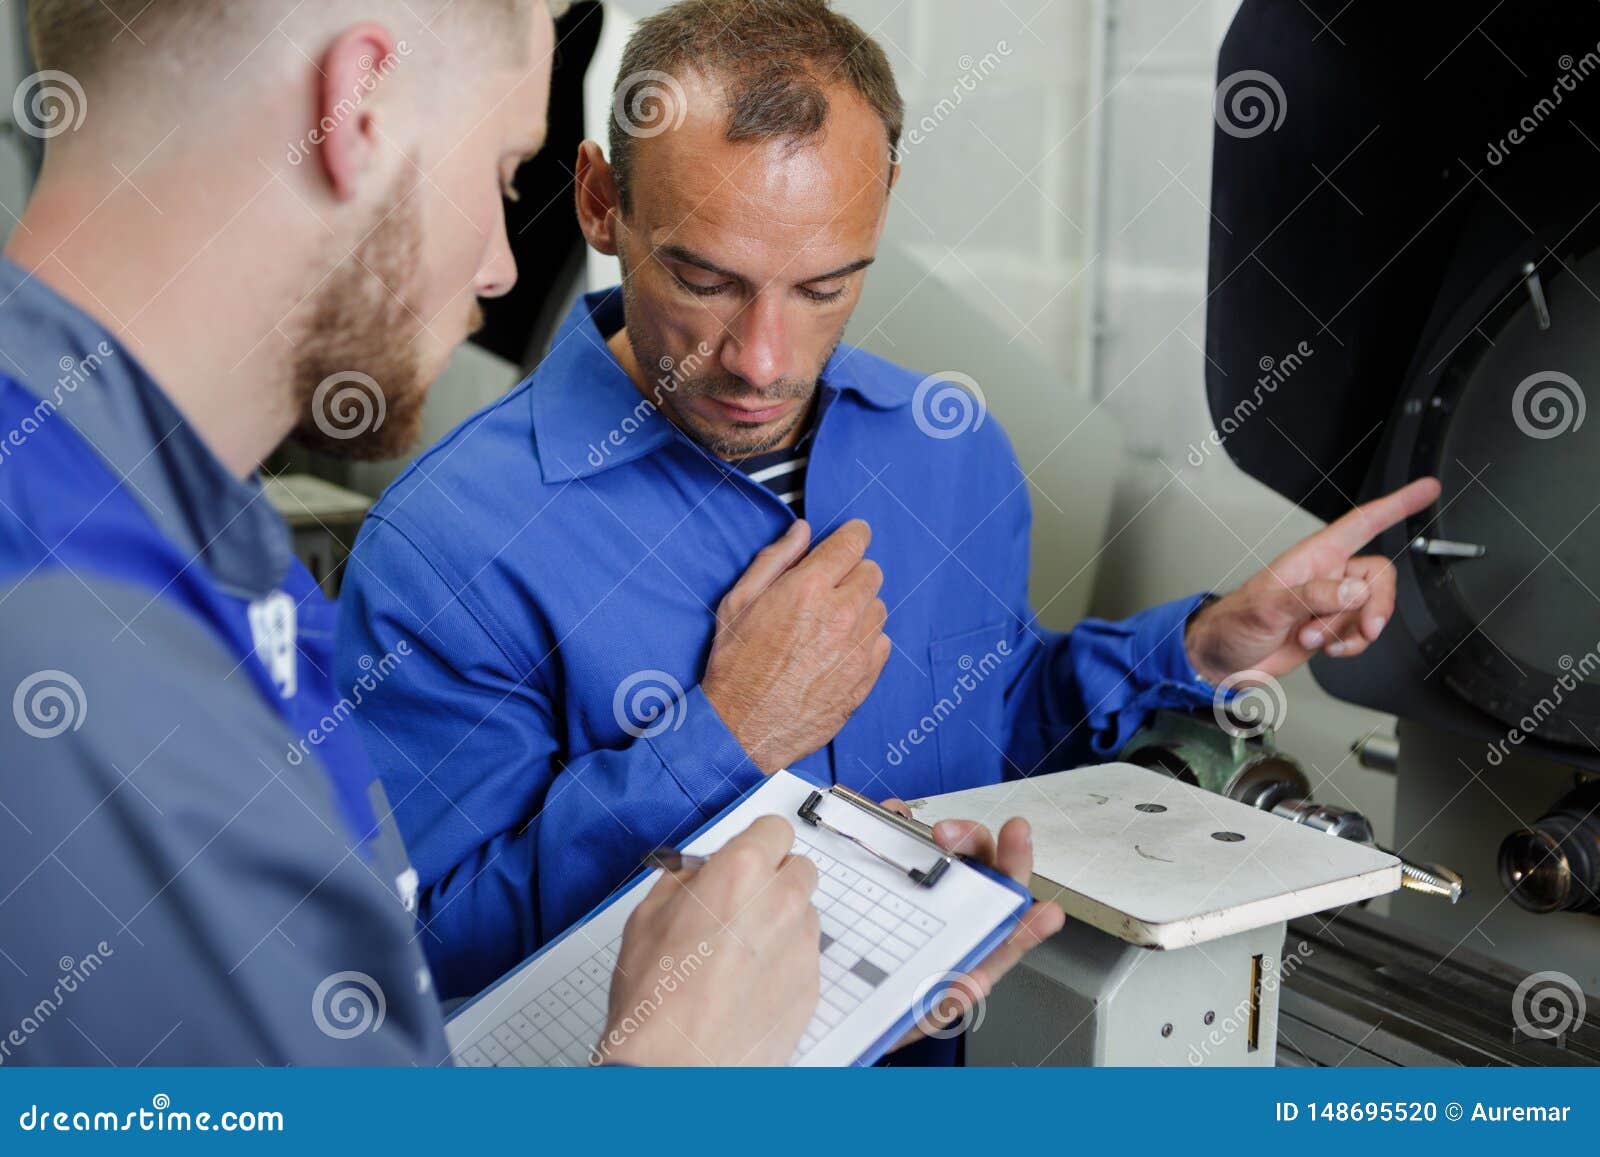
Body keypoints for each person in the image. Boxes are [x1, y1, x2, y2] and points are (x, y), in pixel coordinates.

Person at [0, 0, 1056, 1068]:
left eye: (823, 285)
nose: (505, 268)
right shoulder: (82, 623)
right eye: (506, 173)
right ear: (354, 107)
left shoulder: (211, 565)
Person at [338, 0, 1442, 1011]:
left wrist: (1198, 644)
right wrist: (727, 737)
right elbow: (435, 956)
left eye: (824, 285)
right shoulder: (449, 545)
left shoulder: (943, 449)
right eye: (706, 280)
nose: (763, 360)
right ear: (598, 203)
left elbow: (995, 718)